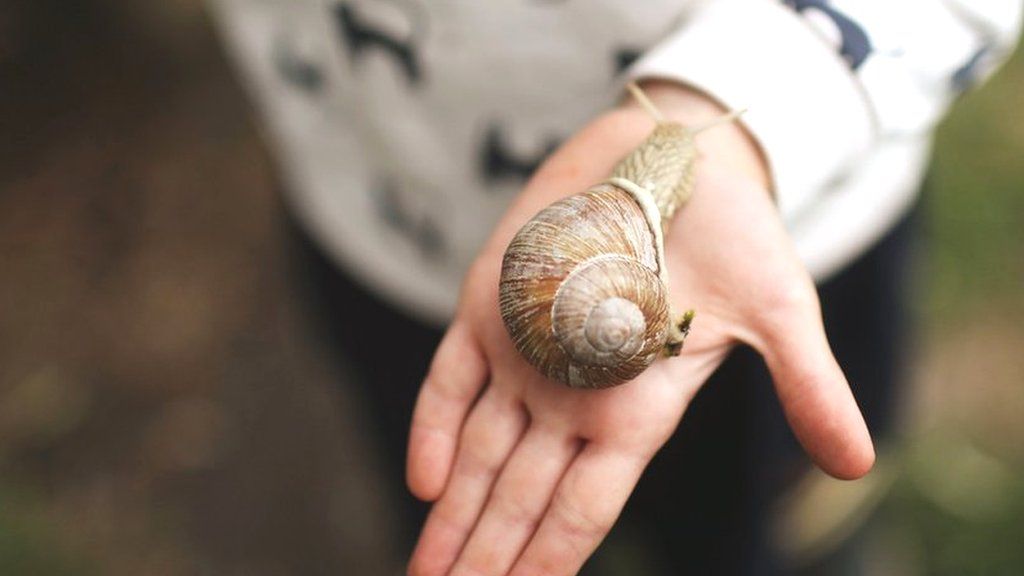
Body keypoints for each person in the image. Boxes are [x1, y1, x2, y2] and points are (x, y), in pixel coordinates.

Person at [209, 1, 1022, 574]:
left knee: (773, 510)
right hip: (384, 209)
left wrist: (748, 109)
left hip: (791, 233)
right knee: (504, 517)